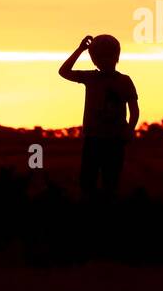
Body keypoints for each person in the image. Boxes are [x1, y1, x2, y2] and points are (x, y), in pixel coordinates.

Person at [59, 34, 139, 198]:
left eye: (106, 56)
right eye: (98, 56)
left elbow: (134, 109)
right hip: (93, 138)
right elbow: (64, 71)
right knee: (87, 183)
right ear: (94, 59)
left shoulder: (124, 81)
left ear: (115, 57)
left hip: (115, 139)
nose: (103, 60)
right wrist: (80, 49)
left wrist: (129, 130)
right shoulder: (91, 77)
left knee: (110, 183)